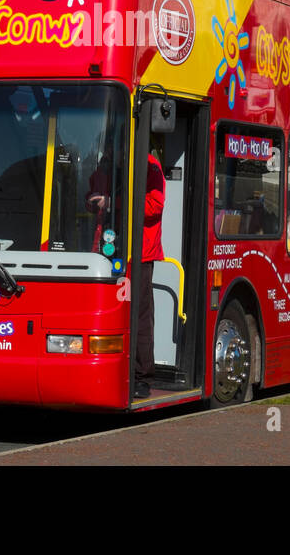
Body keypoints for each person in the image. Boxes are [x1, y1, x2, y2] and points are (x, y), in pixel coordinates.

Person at [135, 143, 166, 398]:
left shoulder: (150, 165)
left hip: (141, 252)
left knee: (141, 315)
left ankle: (142, 376)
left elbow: (155, 205)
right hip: (111, 249)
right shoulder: (106, 162)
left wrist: (116, 201)